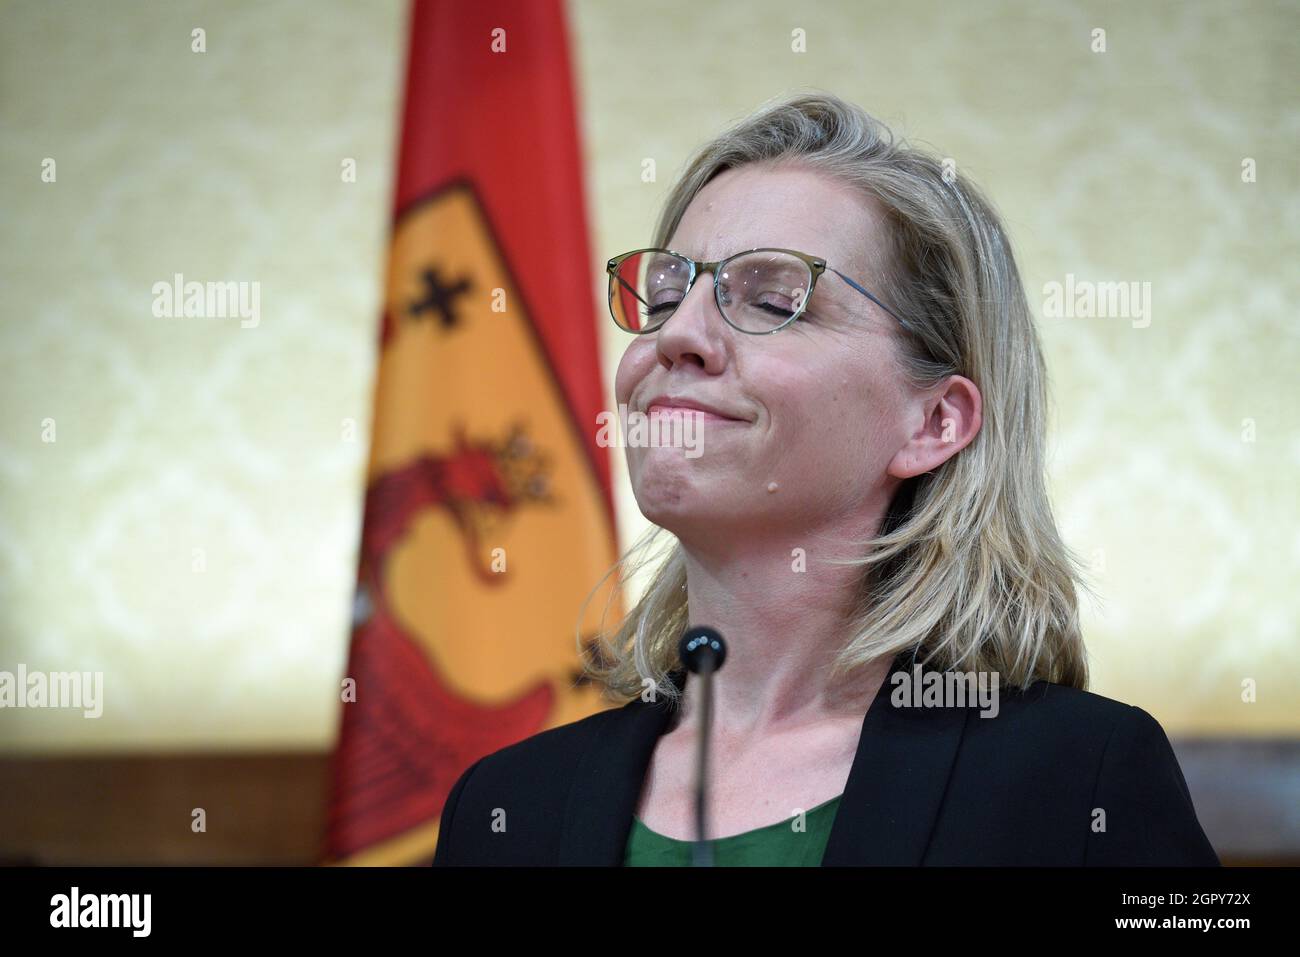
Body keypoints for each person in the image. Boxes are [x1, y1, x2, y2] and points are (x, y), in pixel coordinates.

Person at [431, 90, 1219, 867]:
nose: (676, 337)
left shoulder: (1081, 780)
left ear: (933, 422)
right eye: (666, 294)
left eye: (774, 301)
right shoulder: (507, 805)